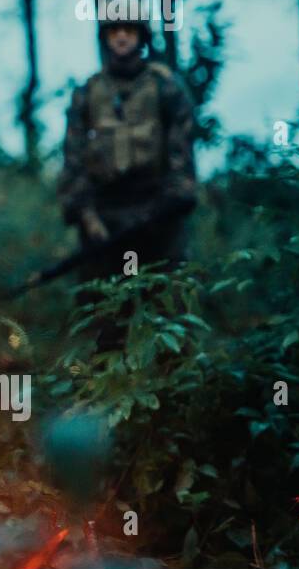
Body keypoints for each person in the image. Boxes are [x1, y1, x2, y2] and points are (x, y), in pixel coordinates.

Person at [58, 17, 198, 347]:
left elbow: (182, 151)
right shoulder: (88, 91)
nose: (122, 37)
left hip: (157, 214)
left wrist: (169, 205)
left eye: (129, 30)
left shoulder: (166, 87)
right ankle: (104, 392)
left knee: (169, 313)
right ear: (105, 37)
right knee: (103, 315)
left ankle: (173, 392)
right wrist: (86, 215)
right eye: (114, 30)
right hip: (105, 217)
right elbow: (73, 157)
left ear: (141, 35)